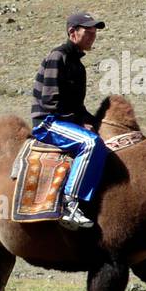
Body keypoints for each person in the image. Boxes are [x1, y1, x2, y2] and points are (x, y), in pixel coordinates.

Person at [30, 12, 110, 230]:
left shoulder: (78, 65)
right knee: (90, 143)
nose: (92, 35)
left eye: (94, 32)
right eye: (88, 31)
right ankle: (68, 203)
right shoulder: (58, 57)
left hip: (63, 120)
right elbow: (50, 102)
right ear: (72, 32)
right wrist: (77, 121)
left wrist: (96, 121)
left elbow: (78, 106)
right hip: (48, 122)